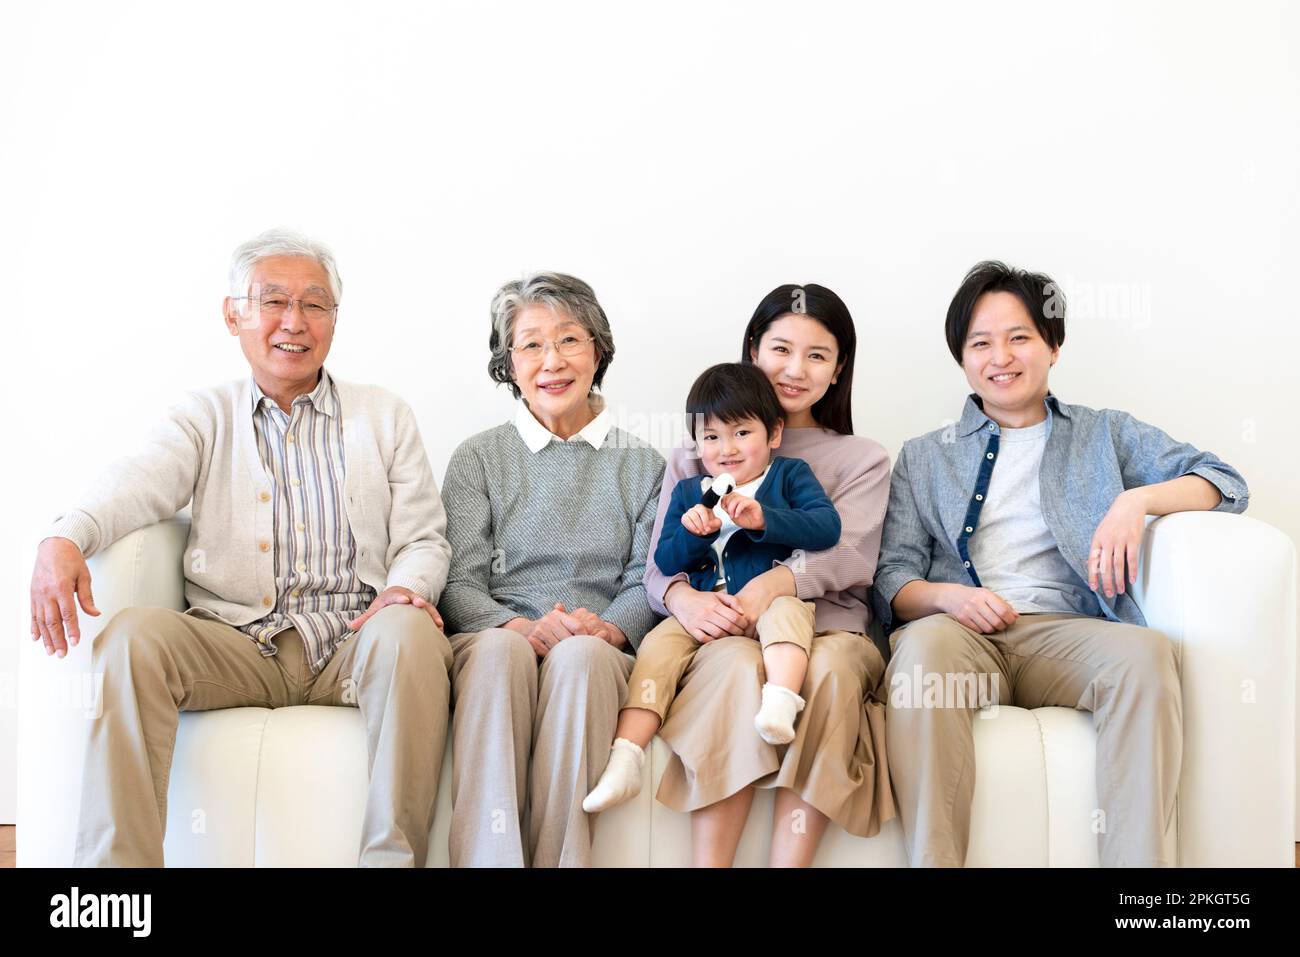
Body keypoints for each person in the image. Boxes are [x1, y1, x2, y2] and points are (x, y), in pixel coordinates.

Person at [29, 228, 454, 867]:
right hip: (235, 641)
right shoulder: (205, 415)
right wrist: (65, 535)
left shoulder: (383, 416)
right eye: (272, 301)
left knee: (412, 633)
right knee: (131, 640)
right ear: (234, 315)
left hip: (354, 637)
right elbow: (137, 484)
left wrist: (403, 591)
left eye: (315, 304)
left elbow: (423, 538)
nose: (294, 321)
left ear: (335, 319)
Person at [873, 260, 1250, 867]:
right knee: (923, 654)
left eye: (1019, 337)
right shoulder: (923, 458)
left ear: (1053, 345)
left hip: (1067, 636)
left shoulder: (1105, 434)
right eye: (981, 343)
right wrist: (948, 598)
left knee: (1147, 655)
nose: (1002, 356)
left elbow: (1224, 481)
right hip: (960, 635)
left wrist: (1138, 499)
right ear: (962, 360)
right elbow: (892, 579)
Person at [642, 284, 895, 867]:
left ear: (838, 370)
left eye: (817, 355)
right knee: (731, 668)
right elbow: (657, 562)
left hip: (830, 629)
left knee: (828, 671)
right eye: (781, 349)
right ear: (753, 349)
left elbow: (851, 555)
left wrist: (774, 585)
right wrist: (684, 602)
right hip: (721, 626)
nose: (795, 370)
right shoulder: (697, 454)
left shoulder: (862, 458)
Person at [439, 271, 665, 867]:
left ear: (598, 350)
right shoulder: (478, 458)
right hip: (497, 637)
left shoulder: (643, 464)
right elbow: (459, 580)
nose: (551, 360)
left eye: (569, 339)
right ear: (508, 363)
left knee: (582, 657)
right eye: (531, 344)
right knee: (499, 653)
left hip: (596, 642)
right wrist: (517, 627)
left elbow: (650, 575)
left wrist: (609, 629)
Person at [583, 362, 841, 813]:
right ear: (697, 442)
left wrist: (764, 519)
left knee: (791, 614)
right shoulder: (688, 491)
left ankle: (780, 701)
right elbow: (665, 561)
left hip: (767, 603)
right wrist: (693, 533)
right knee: (659, 645)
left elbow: (826, 528)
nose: (727, 449)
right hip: (705, 609)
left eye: (742, 433)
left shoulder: (789, 476)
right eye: (712, 437)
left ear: (774, 434)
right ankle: (626, 756)